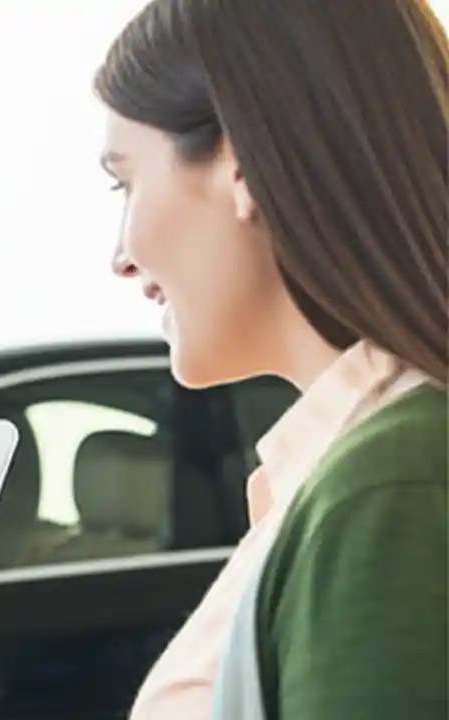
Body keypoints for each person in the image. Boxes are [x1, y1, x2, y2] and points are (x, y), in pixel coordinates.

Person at [94, 0, 447, 718]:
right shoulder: (350, 466)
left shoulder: (389, 482)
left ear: (241, 165)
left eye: (125, 183)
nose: (120, 258)